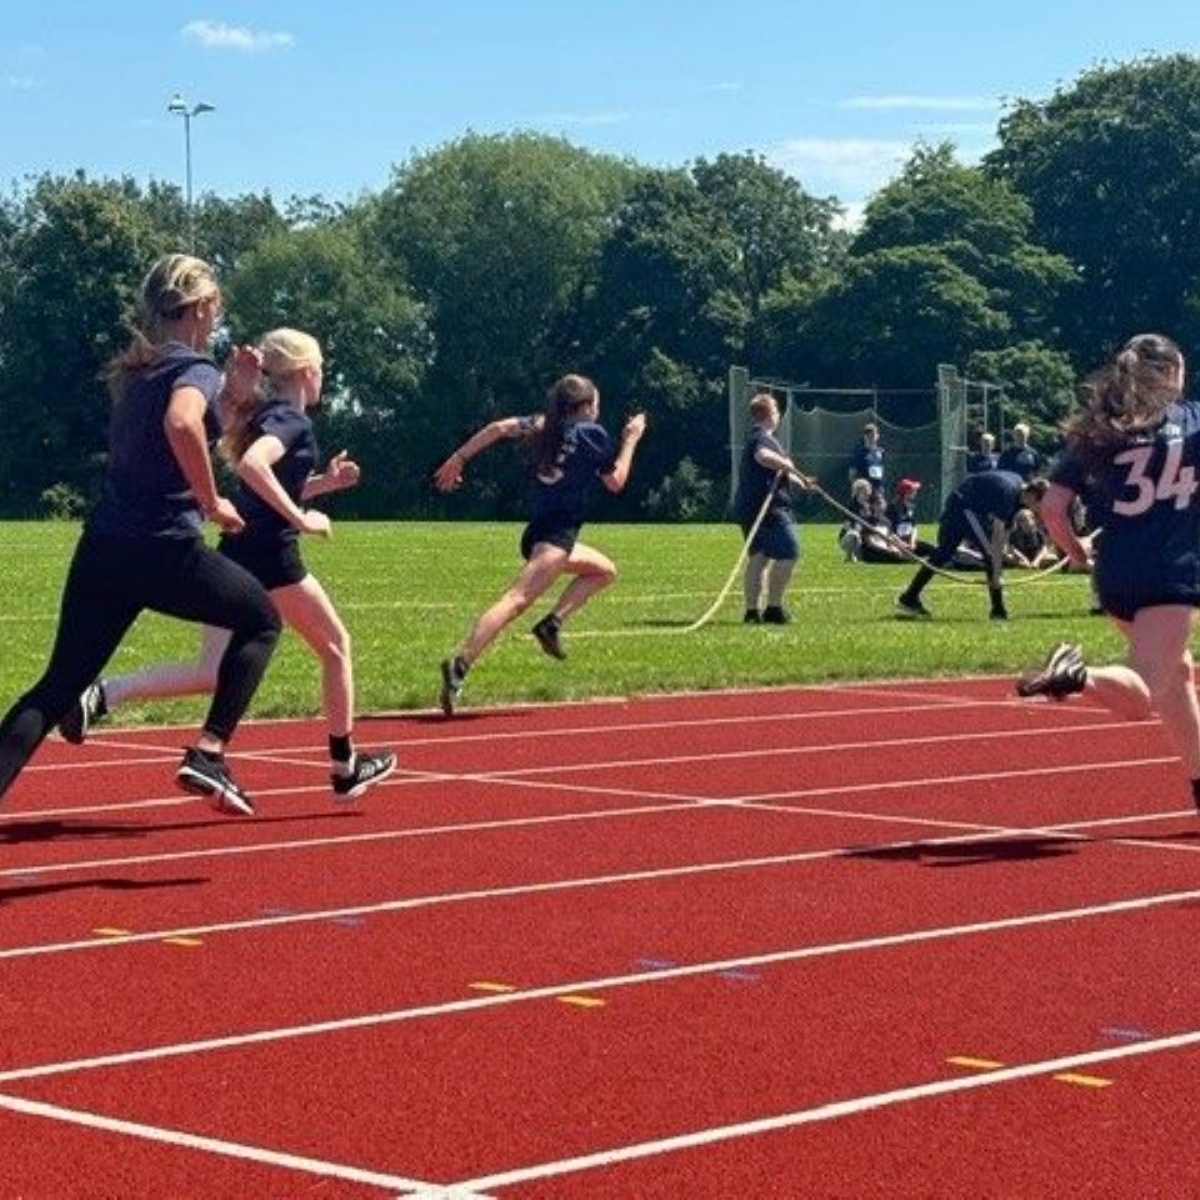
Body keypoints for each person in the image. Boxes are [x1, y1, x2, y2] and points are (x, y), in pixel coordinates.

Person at [61, 328, 397, 801]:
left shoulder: (269, 416)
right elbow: (252, 470)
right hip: (273, 559)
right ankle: (344, 767)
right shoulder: (292, 422)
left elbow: (267, 486)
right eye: (321, 368)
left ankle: (100, 696)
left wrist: (326, 484)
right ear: (305, 372)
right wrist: (302, 518)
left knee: (210, 671)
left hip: (239, 550)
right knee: (336, 645)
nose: (324, 378)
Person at [0, 253, 281, 816]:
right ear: (201, 309)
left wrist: (235, 394)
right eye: (217, 309)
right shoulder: (193, 368)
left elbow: (190, 423)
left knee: (57, 685)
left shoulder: (137, 374)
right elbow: (182, 424)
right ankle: (209, 751)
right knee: (261, 620)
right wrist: (212, 502)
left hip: (103, 548)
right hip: (162, 548)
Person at [1016, 333, 1200, 812]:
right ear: (1169, 374)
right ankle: (1081, 674)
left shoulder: (1098, 430)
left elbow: (1054, 508)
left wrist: (1075, 552)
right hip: (1171, 570)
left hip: (1116, 571)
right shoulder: (1192, 420)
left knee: (1175, 672)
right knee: (1141, 692)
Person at [432, 373, 645, 715]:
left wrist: (460, 457)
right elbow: (616, 481)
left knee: (604, 571)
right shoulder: (592, 435)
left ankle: (552, 624)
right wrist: (632, 438)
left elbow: (499, 428)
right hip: (555, 538)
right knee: (514, 601)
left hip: (540, 530)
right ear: (587, 406)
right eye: (597, 405)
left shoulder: (545, 425)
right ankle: (461, 662)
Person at [895, 469, 1049, 620]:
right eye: (1041, 504)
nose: (1041, 510)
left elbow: (1007, 528)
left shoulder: (1019, 494)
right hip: (964, 506)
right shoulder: (1007, 494)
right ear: (1033, 496)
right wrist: (996, 573)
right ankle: (998, 610)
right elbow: (997, 536)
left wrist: (1004, 553)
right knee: (989, 552)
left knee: (944, 553)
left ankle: (909, 597)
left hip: (962, 503)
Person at [736, 392, 809, 621]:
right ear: (770, 414)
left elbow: (777, 471)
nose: (778, 415)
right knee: (789, 552)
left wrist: (802, 482)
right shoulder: (762, 438)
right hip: (768, 510)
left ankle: (751, 611)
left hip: (749, 507)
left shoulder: (756, 436)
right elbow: (764, 457)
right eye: (777, 411)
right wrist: (793, 468)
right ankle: (774, 608)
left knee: (759, 558)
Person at [849, 421, 885, 496]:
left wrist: (881, 486)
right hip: (864, 490)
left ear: (877, 436)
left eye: (873, 434)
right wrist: (856, 489)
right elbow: (852, 472)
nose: (870, 437)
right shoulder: (859, 452)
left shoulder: (881, 451)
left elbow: (880, 470)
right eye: (868, 434)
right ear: (864, 436)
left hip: (878, 490)